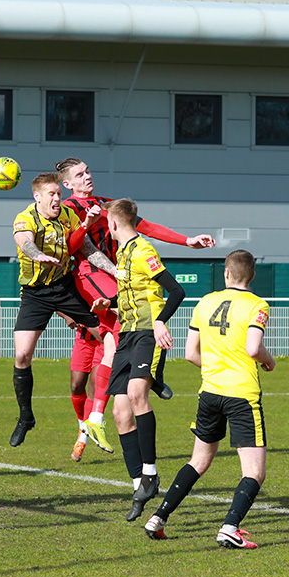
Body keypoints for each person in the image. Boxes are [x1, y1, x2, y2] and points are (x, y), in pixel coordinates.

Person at [55, 157, 215, 461]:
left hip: (117, 275)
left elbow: (146, 226)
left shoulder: (106, 204)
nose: (87, 176)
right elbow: (72, 247)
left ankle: (145, 379)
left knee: (139, 315)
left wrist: (187, 241)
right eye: (80, 174)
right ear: (67, 184)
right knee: (118, 332)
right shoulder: (67, 211)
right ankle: (96, 418)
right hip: (91, 275)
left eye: (88, 170)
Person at [143, 250, 275, 549]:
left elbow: (191, 354)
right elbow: (254, 349)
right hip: (241, 394)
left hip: (210, 392)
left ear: (226, 273)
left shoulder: (205, 302)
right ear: (252, 276)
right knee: (254, 471)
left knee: (199, 461)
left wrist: (218, 365)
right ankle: (230, 527)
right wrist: (269, 361)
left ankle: (158, 517)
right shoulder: (258, 305)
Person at [91, 199, 186, 521]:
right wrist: (111, 300)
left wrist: (161, 321)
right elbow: (134, 289)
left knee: (135, 395)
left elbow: (175, 291)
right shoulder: (122, 252)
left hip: (147, 332)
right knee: (119, 414)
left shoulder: (144, 251)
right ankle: (139, 485)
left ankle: (150, 473)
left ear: (114, 224)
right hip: (126, 335)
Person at [10, 172, 114, 448]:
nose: (57, 198)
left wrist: (116, 271)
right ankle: (25, 417)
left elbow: (89, 249)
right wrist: (37, 255)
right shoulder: (26, 217)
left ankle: (135, 384)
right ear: (38, 197)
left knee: (110, 335)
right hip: (36, 294)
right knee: (22, 354)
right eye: (51, 194)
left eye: (58, 193)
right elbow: (24, 240)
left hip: (67, 288)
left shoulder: (69, 215)